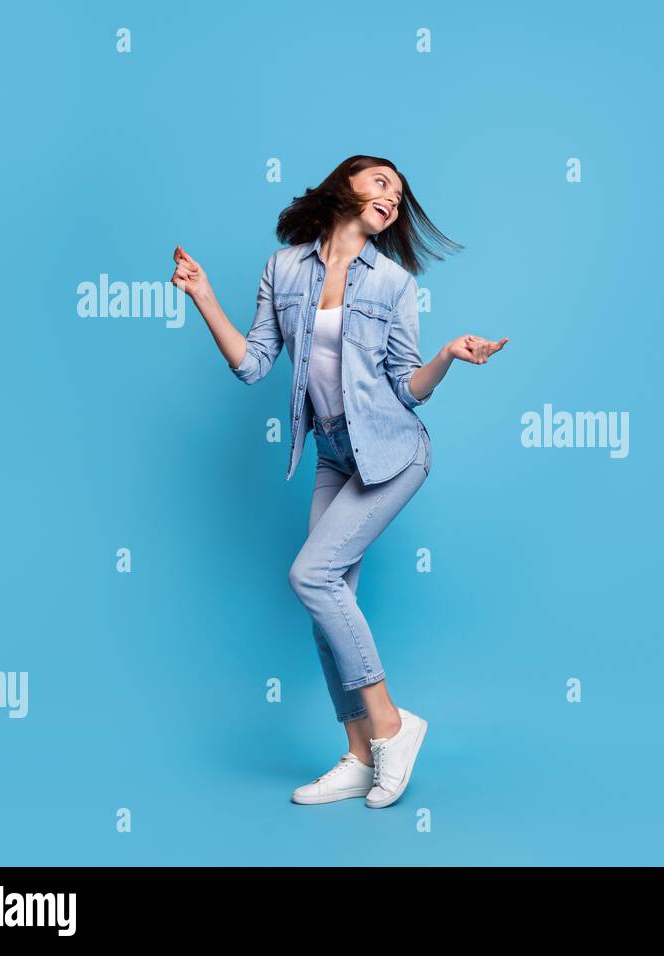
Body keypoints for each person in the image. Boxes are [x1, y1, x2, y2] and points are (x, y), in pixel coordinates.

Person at [170, 155, 507, 809]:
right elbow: (253, 365)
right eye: (381, 181)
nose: (392, 197)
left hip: (393, 454)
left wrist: (445, 358)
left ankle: (392, 725)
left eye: (400, 193)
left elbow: (407, 392)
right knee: (327, 613)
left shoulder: (395, 284)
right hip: (333, 456)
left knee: (311, 577)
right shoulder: (284, 269)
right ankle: (359, 756)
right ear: (343, 186)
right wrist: (203, 296)